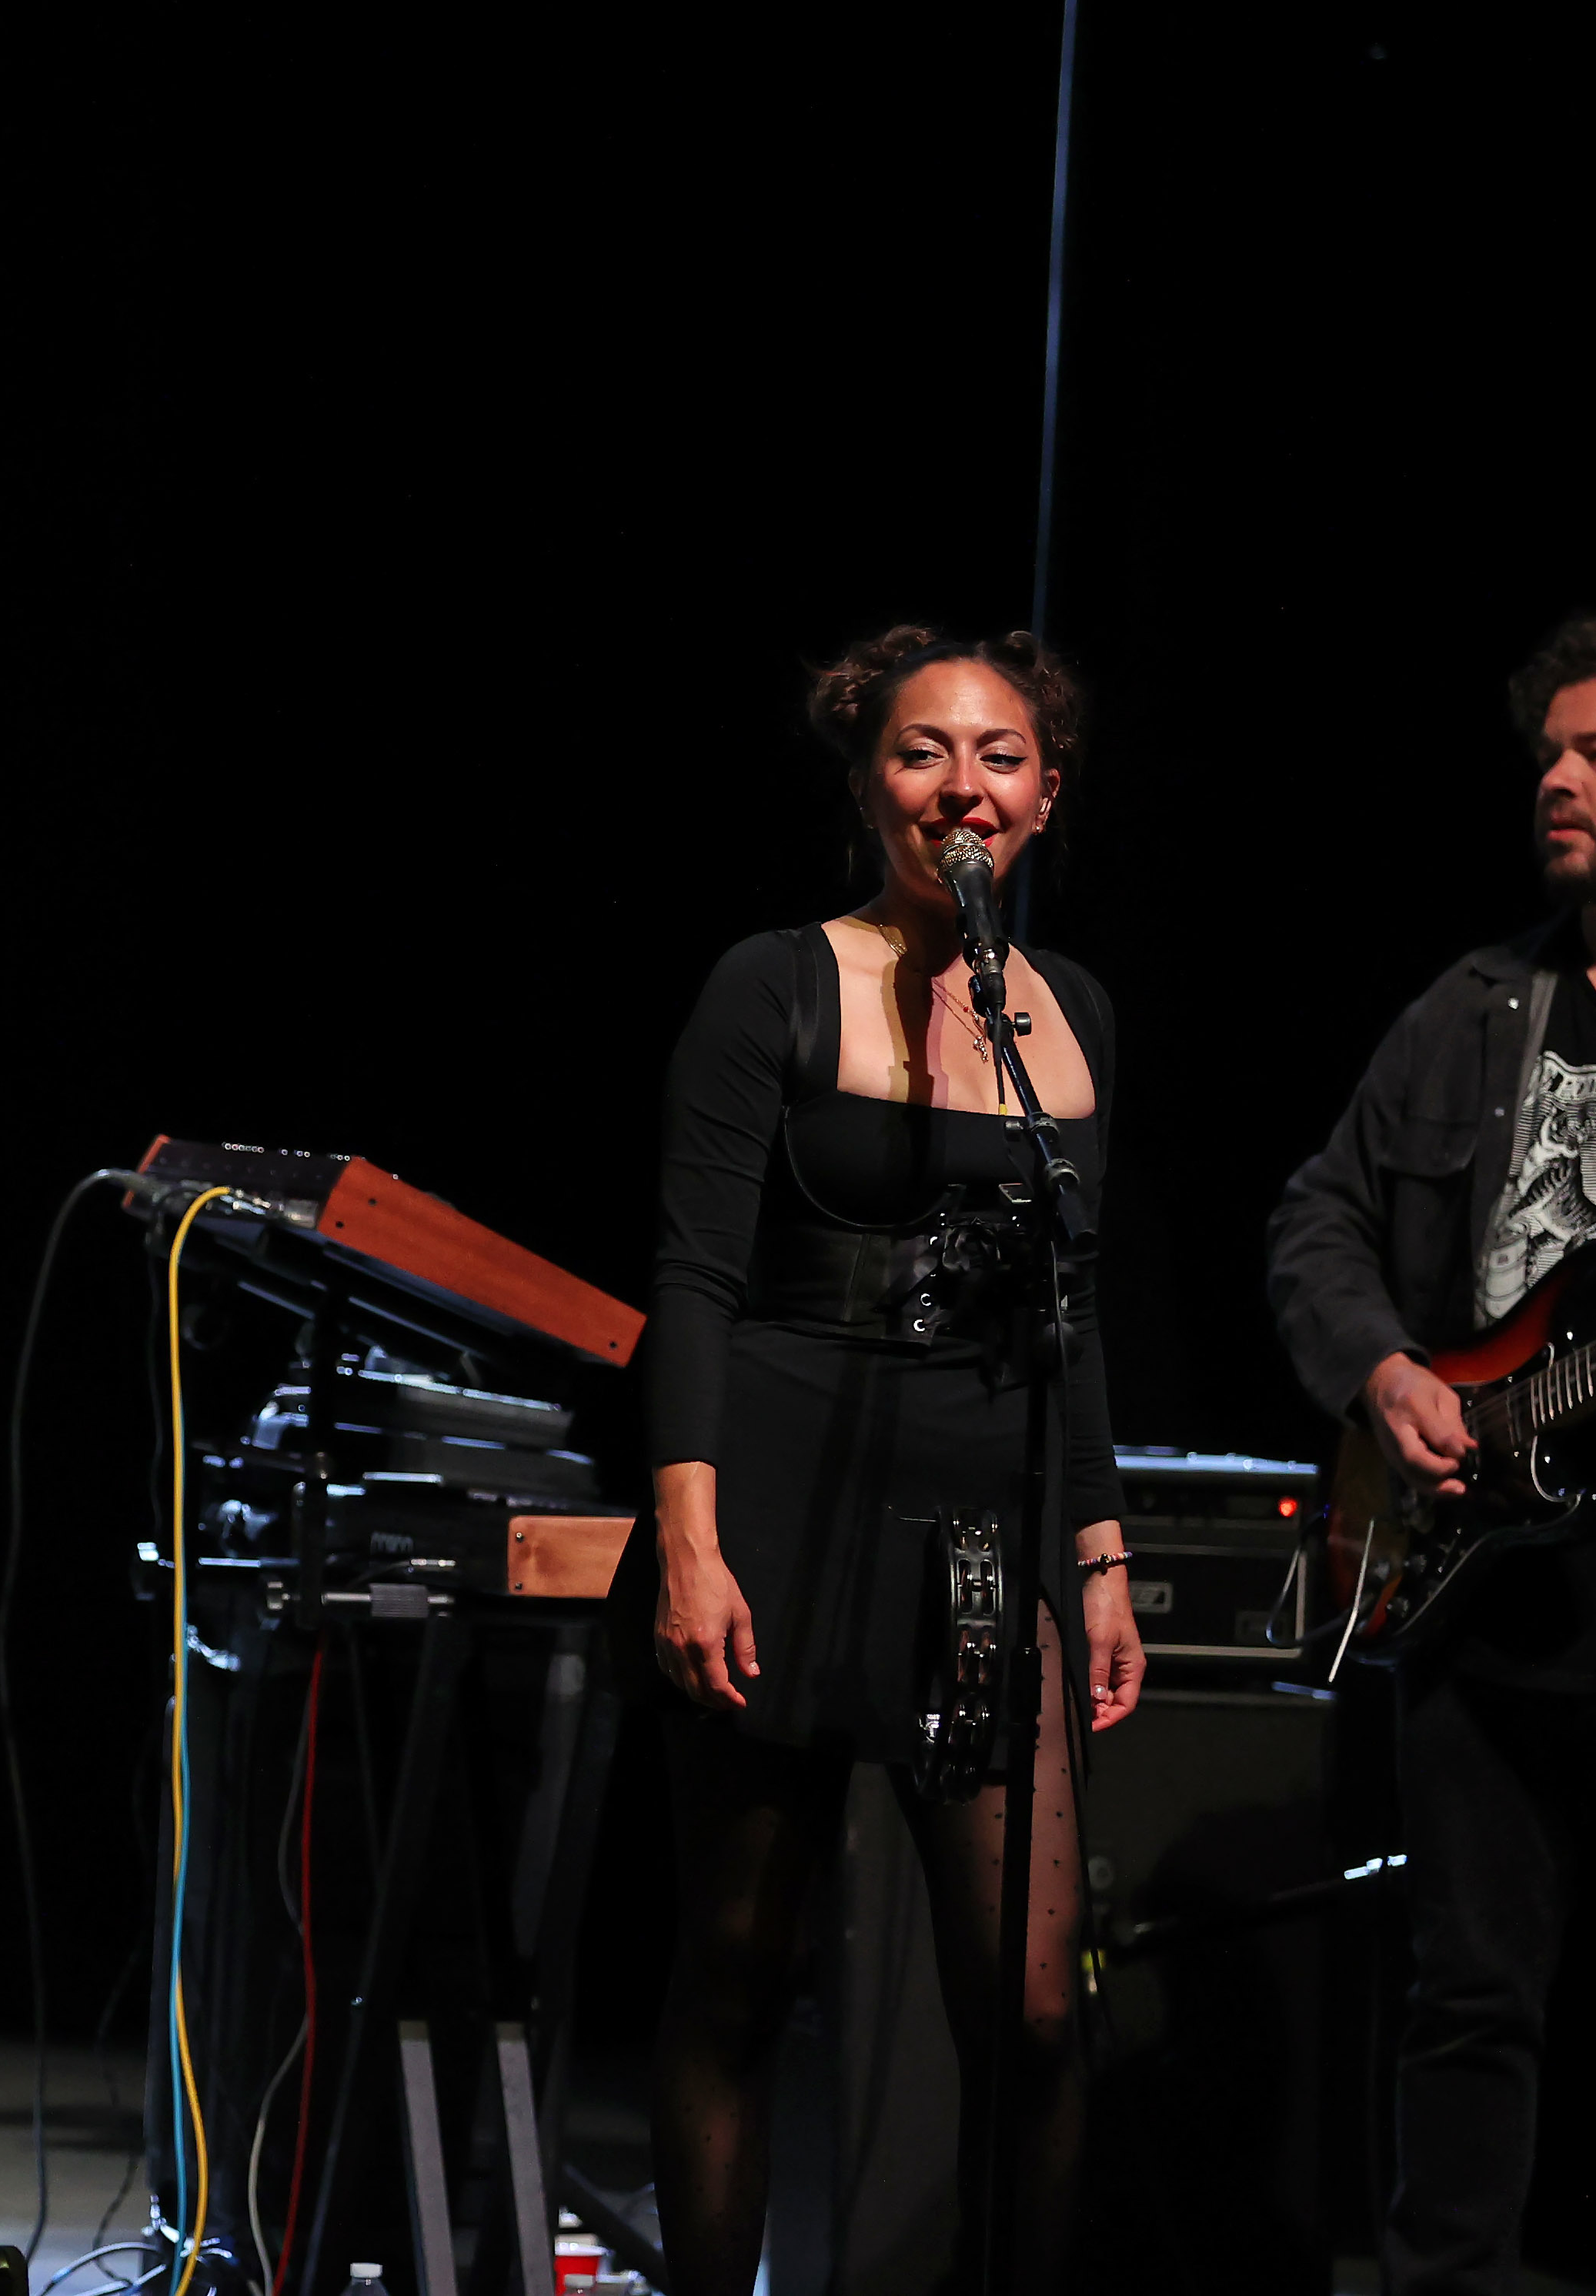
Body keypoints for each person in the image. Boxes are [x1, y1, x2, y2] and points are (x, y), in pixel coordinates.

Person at [619, 626, 1149, 2296]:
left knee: (1037, 2004)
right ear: (868, 785)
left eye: (997, 757)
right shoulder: (767, 980)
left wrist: (1100, 1555)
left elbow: (1072, 1309)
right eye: (922, 753)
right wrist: (689, 1543)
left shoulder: (1069, 1018)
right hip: (778, 1502)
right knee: (736, 1970)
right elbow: (693, 1279)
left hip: (978, 1535)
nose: (960, 788)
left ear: (1044, 799)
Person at [1267, 611, 1596, 2296]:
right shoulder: (1473, 1007)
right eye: (1547, 749)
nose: (1556, 775)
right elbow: (1314, 1216)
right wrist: (1384, 1370)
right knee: (1464, 1986)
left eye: (1595, 753)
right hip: (1473, 1585)